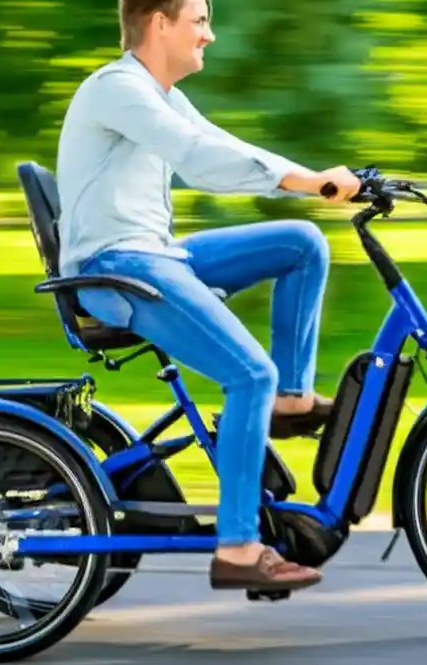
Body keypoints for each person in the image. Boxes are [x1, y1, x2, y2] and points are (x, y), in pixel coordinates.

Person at [54, 0, 361, 593]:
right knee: (249, 375)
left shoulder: (159, 93)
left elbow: (216, 143)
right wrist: (309, 179)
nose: (211, 35)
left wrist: (317, 180)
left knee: (302, 242)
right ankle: (240, 546)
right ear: (159, 23)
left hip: (156, 252)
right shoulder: (117, 88)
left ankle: (291, 402)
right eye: (199, 21)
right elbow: (200, 159)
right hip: (117, 266)